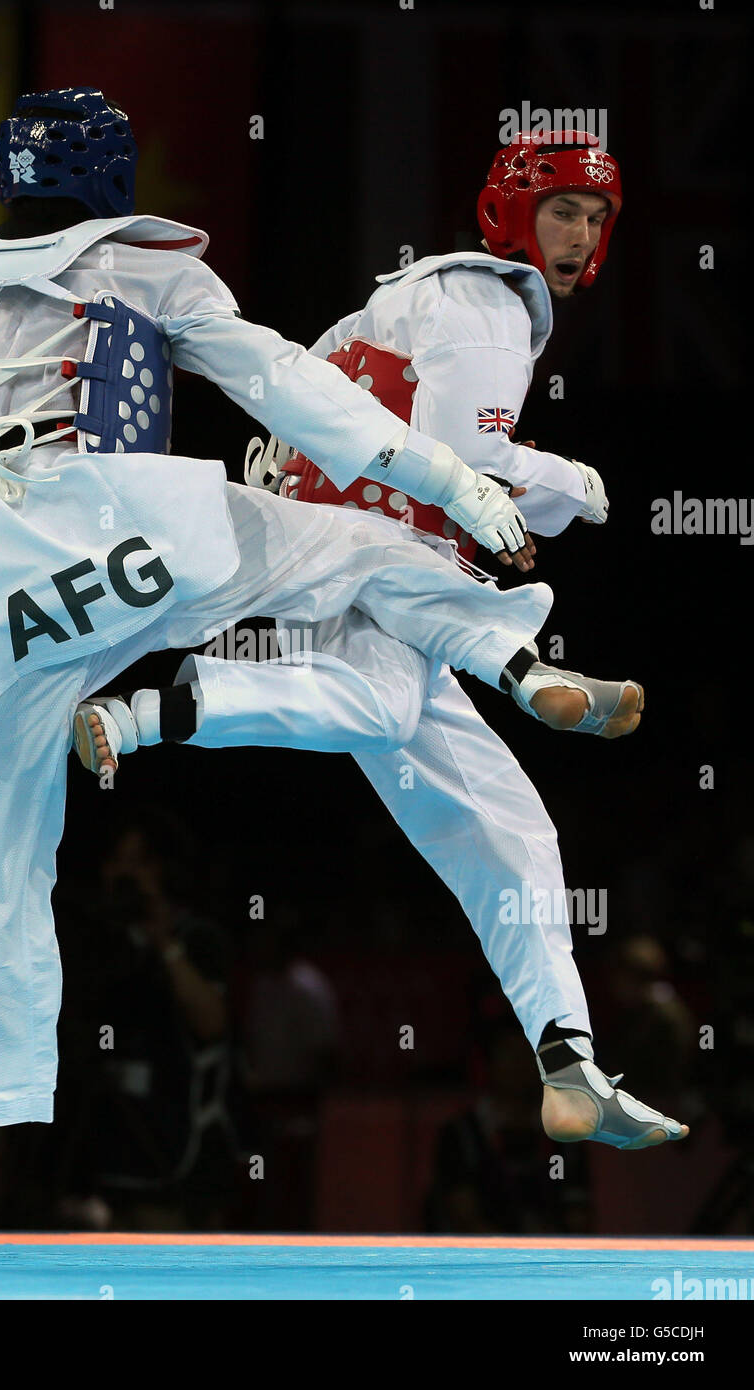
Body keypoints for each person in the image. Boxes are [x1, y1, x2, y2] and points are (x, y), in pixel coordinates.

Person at [0, 90, 653, 1255]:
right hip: (129, 527)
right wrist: (458, 483)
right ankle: (508, 657)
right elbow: (288, 388)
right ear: (112, 180)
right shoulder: (147, 268)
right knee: (363, 552)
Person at [76, 131, 687, 1163]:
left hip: (325, 556)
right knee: (400, 674)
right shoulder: (491, 303)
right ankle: (513, 665)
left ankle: (566, 1057)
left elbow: (316, 426)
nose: (579, 236)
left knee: (502, 824)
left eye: (594, 217)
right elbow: (469, 459)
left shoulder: (399, 299)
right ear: (509, 216)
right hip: (351, 552)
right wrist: (571, 482)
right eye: (561, 213)